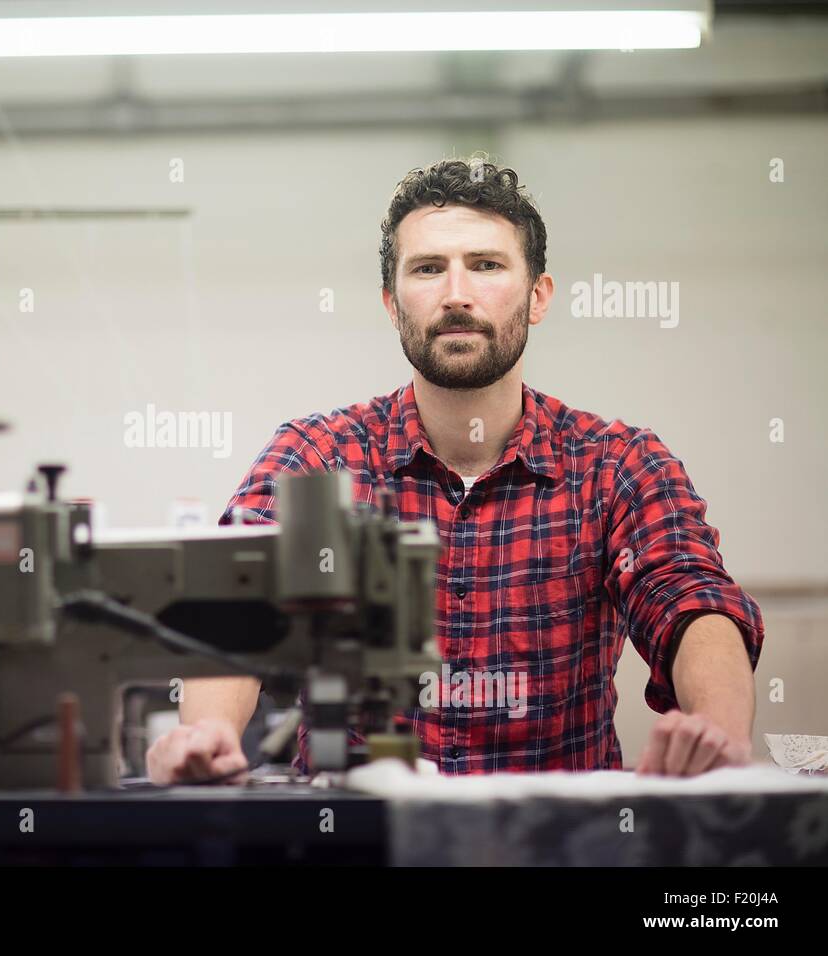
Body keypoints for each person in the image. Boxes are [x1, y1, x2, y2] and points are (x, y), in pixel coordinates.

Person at [146, 158, 763, 784]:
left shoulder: (618, 465)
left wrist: (719, 726)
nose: (457, 293)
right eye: (428, 268)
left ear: (538, 295)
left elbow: (691, 596)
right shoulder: (316, 458)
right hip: (359, 841)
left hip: (557, 849)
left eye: (487, 265)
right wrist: (208, 735)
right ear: (392, 302)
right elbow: (230, 604)